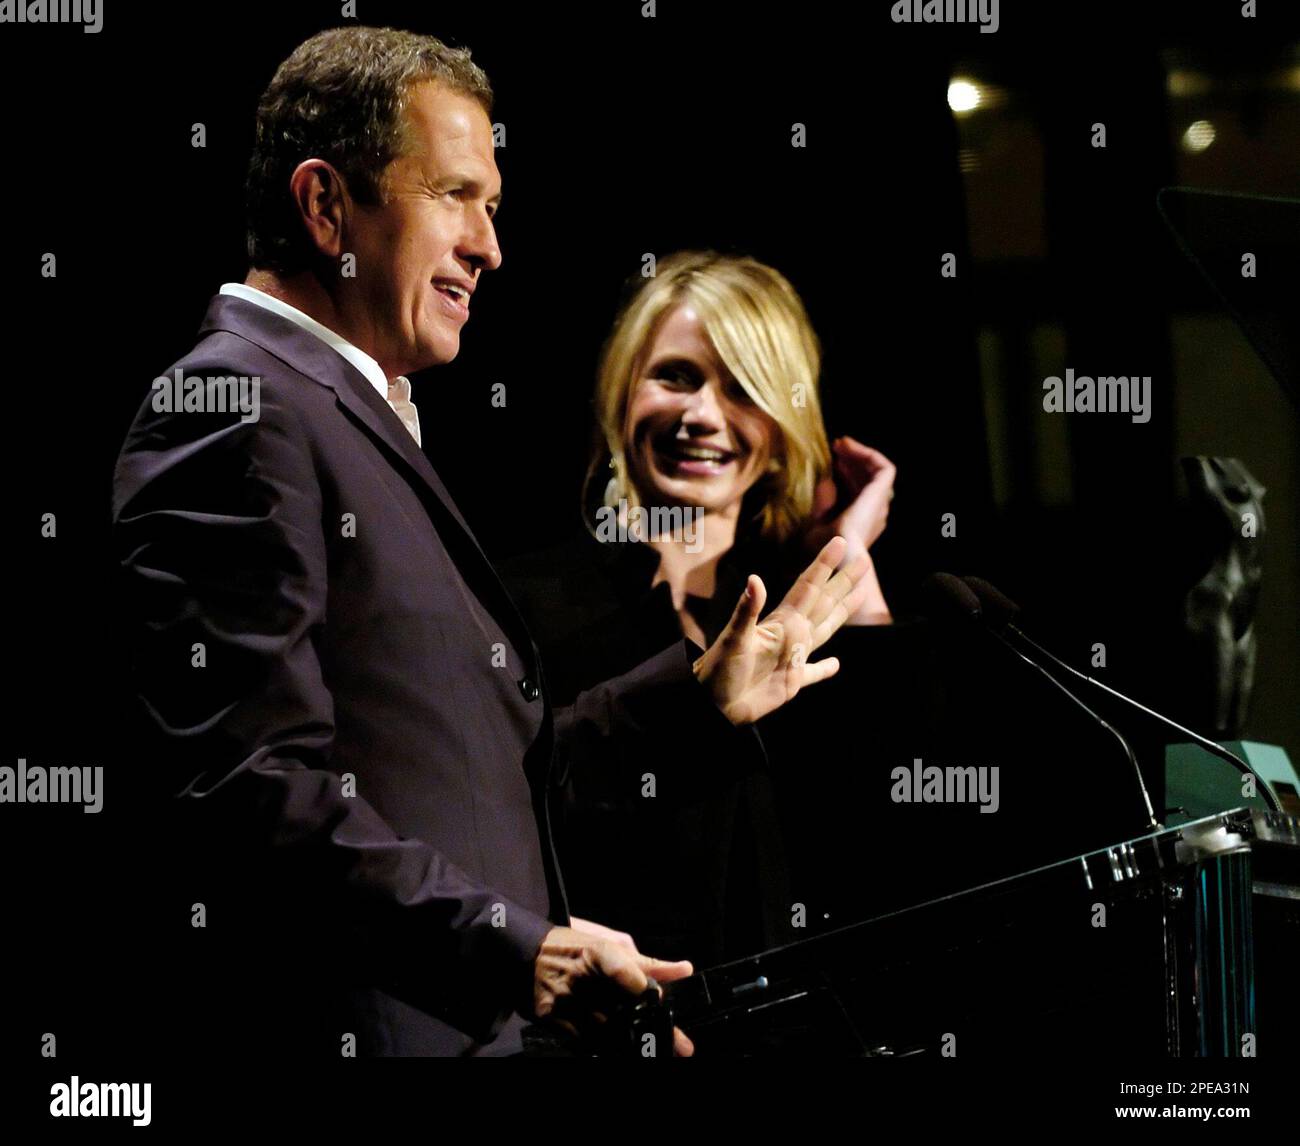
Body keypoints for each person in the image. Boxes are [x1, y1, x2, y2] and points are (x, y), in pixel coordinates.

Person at [110, 29, 874, 1058]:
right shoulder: (233, 406)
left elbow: (475, 769)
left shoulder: (343, 414)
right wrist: (521, 951)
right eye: (454, 197)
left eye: (493, 207)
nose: (488, 245)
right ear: (327, 205)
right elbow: (252, 790)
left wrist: (691, 703)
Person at [504, 251, 919, 968]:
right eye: (676, 376)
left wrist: (850, 552)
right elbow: (500, 816)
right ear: (621, 387)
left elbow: (896, 811)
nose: (703, 415)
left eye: (741, 389)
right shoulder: (522, 601)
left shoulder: (793, 599)